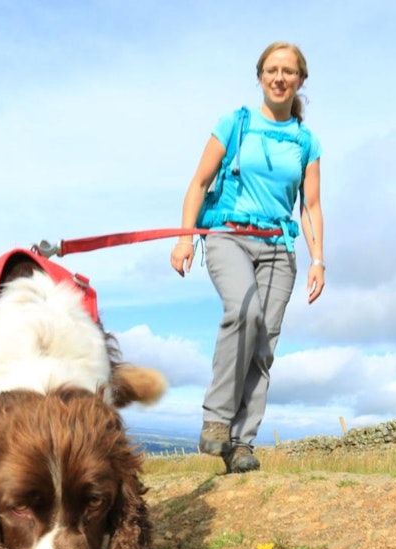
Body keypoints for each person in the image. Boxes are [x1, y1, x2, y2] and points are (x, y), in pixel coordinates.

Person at [170, 41, 325, 474]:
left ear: (300, 80)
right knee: (244, 311)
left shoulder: (306, 142)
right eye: (272, 70)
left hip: (280, 247)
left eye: (288, 71)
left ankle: (241, 444)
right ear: (260, 76)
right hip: (228, 235)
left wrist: (318, 260)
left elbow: (310, 207)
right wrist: (185, 240)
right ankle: (217, 420)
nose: (280, 78)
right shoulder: (234, 123)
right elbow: (198, 183)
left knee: (263, 346)